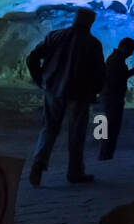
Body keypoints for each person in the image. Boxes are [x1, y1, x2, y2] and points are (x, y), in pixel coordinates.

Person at [26, 9, 105, 186]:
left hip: (53, 90)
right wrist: (96, 91)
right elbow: (99, 72)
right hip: (80, 94)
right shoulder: (92, 43)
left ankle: (38, 164)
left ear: (75, 18)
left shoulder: (55, 36)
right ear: (91, 22)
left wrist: (41, 80)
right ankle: (75, 172)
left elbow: (32, 58)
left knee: (48, 128)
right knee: (76, 133)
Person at [98, 37, 134, 161]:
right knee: (111, 127)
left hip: (110, 97)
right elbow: (117, 78)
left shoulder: (115, 59)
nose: (131, 54)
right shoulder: (116, 60)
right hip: (112, 98)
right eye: (131, 50)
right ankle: (105, 155)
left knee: (110, 126)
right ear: (125, 47)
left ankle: (106, 154)